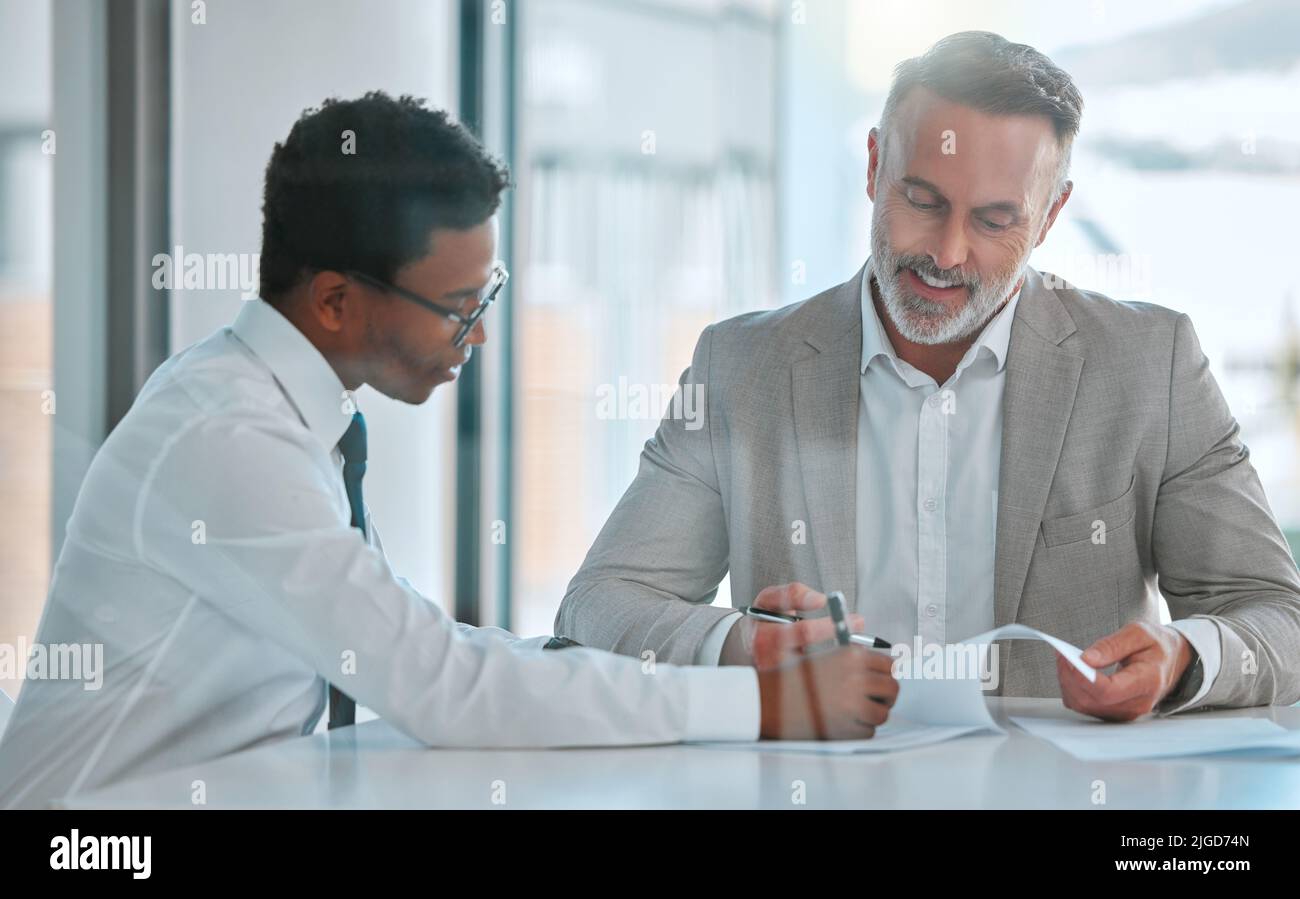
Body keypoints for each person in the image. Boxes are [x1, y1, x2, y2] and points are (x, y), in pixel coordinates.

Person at [0, 92, 897, 810]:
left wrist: (726, 656)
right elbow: (436, 684)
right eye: (456, 307)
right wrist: (767, 706)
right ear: (334, 302)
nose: (476, 337)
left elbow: (413, 644)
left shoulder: (284, 411)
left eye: (486, 295)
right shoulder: (228, 440)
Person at [556, 32, 1300, 721]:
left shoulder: (1150, 365)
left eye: (995, 220)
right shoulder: (739, 369)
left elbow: (1278, 620)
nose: (945, 253)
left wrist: (1186, 654)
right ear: (875, 165)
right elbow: (599, 605)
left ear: (1050, 216)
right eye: (924, 200)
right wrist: (747, 648)